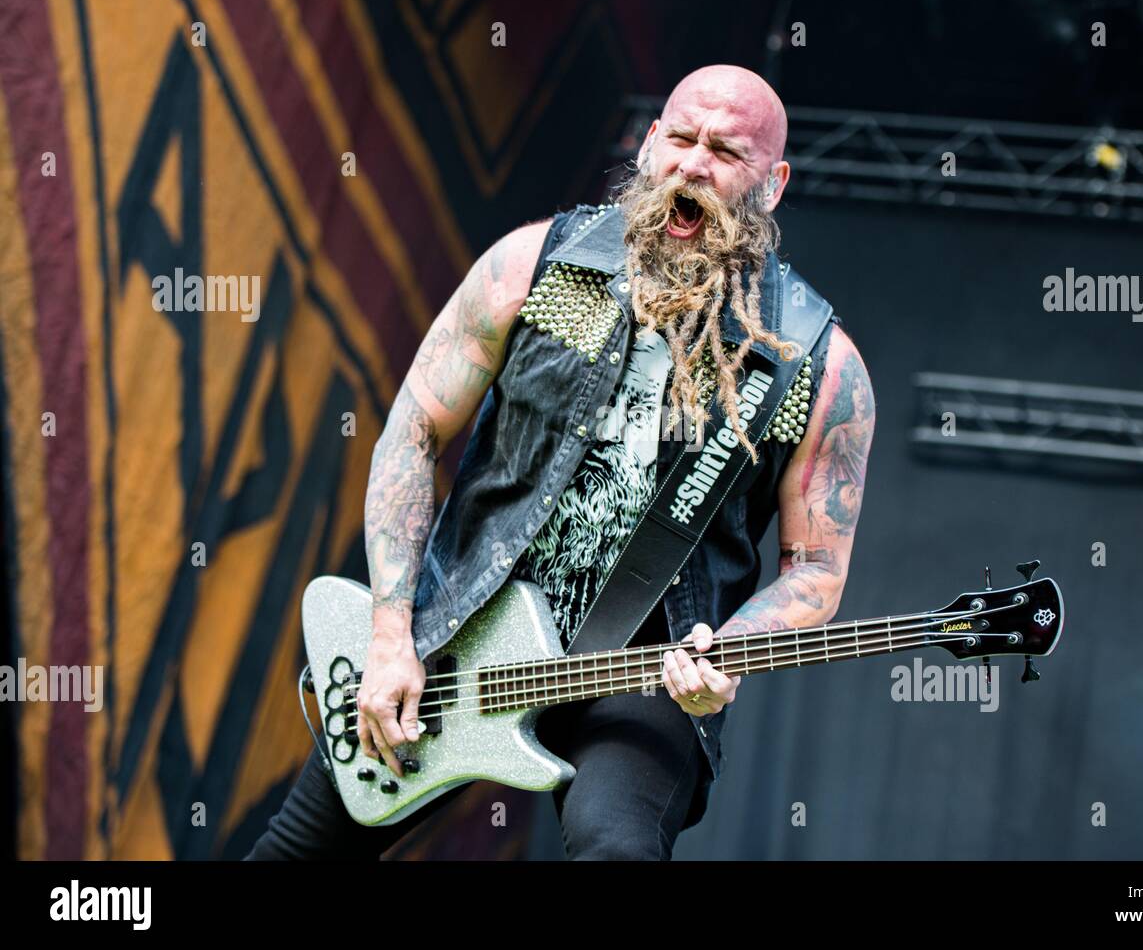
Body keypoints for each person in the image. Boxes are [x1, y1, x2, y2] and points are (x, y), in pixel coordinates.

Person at [246, 63, 875, 860]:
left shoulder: (814, 363)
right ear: (650, 144)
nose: (693, 163)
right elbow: (411, 432)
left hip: (645, 668)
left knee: (614, 848)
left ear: (773, 183)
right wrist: (390, 631)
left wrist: (729, 650)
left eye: (725, 151)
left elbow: (815, 567)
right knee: (297, 852)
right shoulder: (534, 265)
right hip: (462, 629)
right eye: (680, 138)